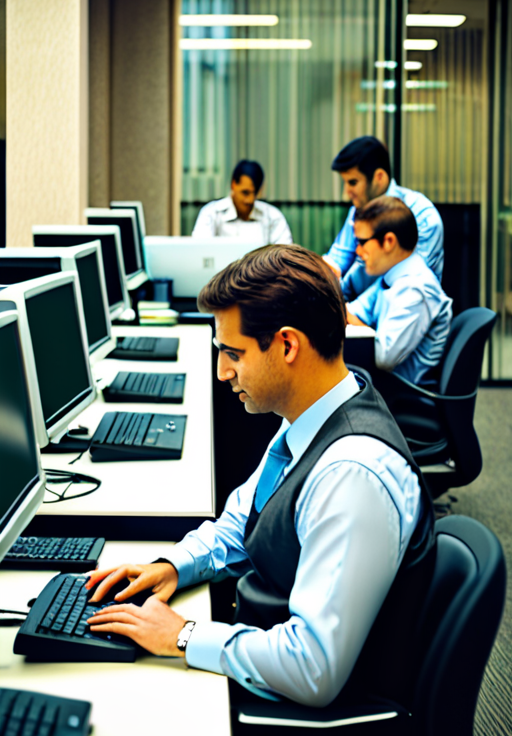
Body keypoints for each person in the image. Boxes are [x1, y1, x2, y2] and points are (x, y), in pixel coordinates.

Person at [86, 244, 433, 708]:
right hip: (267, 637)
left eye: (233, 353)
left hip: (316, 709)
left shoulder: (351, 475)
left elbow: (313, 667)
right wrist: (174, 566)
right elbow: (244, 521)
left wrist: (184, 635)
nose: (221, 372)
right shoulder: (311, 414)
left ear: (288, 345)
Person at [346, 196, 453, 385]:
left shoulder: (416, 289)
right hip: (382, 385)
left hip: (398, 394)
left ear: (388, 241)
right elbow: (350, 314)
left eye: (362, 242)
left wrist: (355, 323)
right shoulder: (391, 277)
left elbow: (383, 357)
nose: (357, 251)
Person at [324, 136, 444, 301]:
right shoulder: (359, 210)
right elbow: (336, 262)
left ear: (379, 177)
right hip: (357, 313)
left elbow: (409, 283)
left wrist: (346, 309)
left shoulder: (422, 216)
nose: (346, 193)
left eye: (353, 182)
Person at [191, 160, 293, 245]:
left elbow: (284, 259)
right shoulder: (211, 213)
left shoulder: (273, 217)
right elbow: (200, 254)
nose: (250, 200)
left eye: (255, 193)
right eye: (245, 192)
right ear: (233, 184)